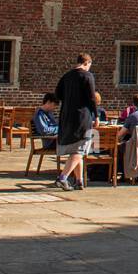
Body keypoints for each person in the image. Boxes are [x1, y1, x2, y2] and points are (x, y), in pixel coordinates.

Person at [54, 54, 98, 191]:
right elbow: (92, 98)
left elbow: (57, 94)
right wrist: (96, 116)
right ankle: (62, 178)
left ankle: (79, 181)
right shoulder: (87, 76)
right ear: (87, 63)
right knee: (80, 149)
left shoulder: (66, 76)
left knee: (77, 149)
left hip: (67, 116)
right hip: (82, 117)